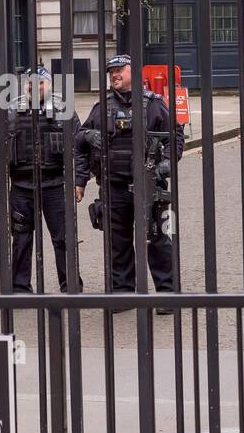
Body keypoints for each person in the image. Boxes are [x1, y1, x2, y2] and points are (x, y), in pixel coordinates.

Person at [74, 54, 183, 307]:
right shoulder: (102, 107)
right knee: (117, 242)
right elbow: (79, 140)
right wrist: (88, 136)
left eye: (120, 70)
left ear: (134, 72)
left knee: (159, 239)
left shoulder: (153, 104)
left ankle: (168, 295)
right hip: (113, 185)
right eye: (111, 71)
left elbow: (174, 135)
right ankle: (123, 294)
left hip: (149, 185)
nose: (114, 75)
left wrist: (166, 163)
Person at [0, 66, 80, 292]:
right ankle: (19, 287)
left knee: (64, 238)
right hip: (21, 187)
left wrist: (80, 181)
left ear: (49, 85)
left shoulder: (62, 109)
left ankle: (71, 286)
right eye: (31, 82)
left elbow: (79, 149)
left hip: (55, 186)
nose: (35, 86)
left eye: (41, 82)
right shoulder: (11, 111)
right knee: (21, 239)